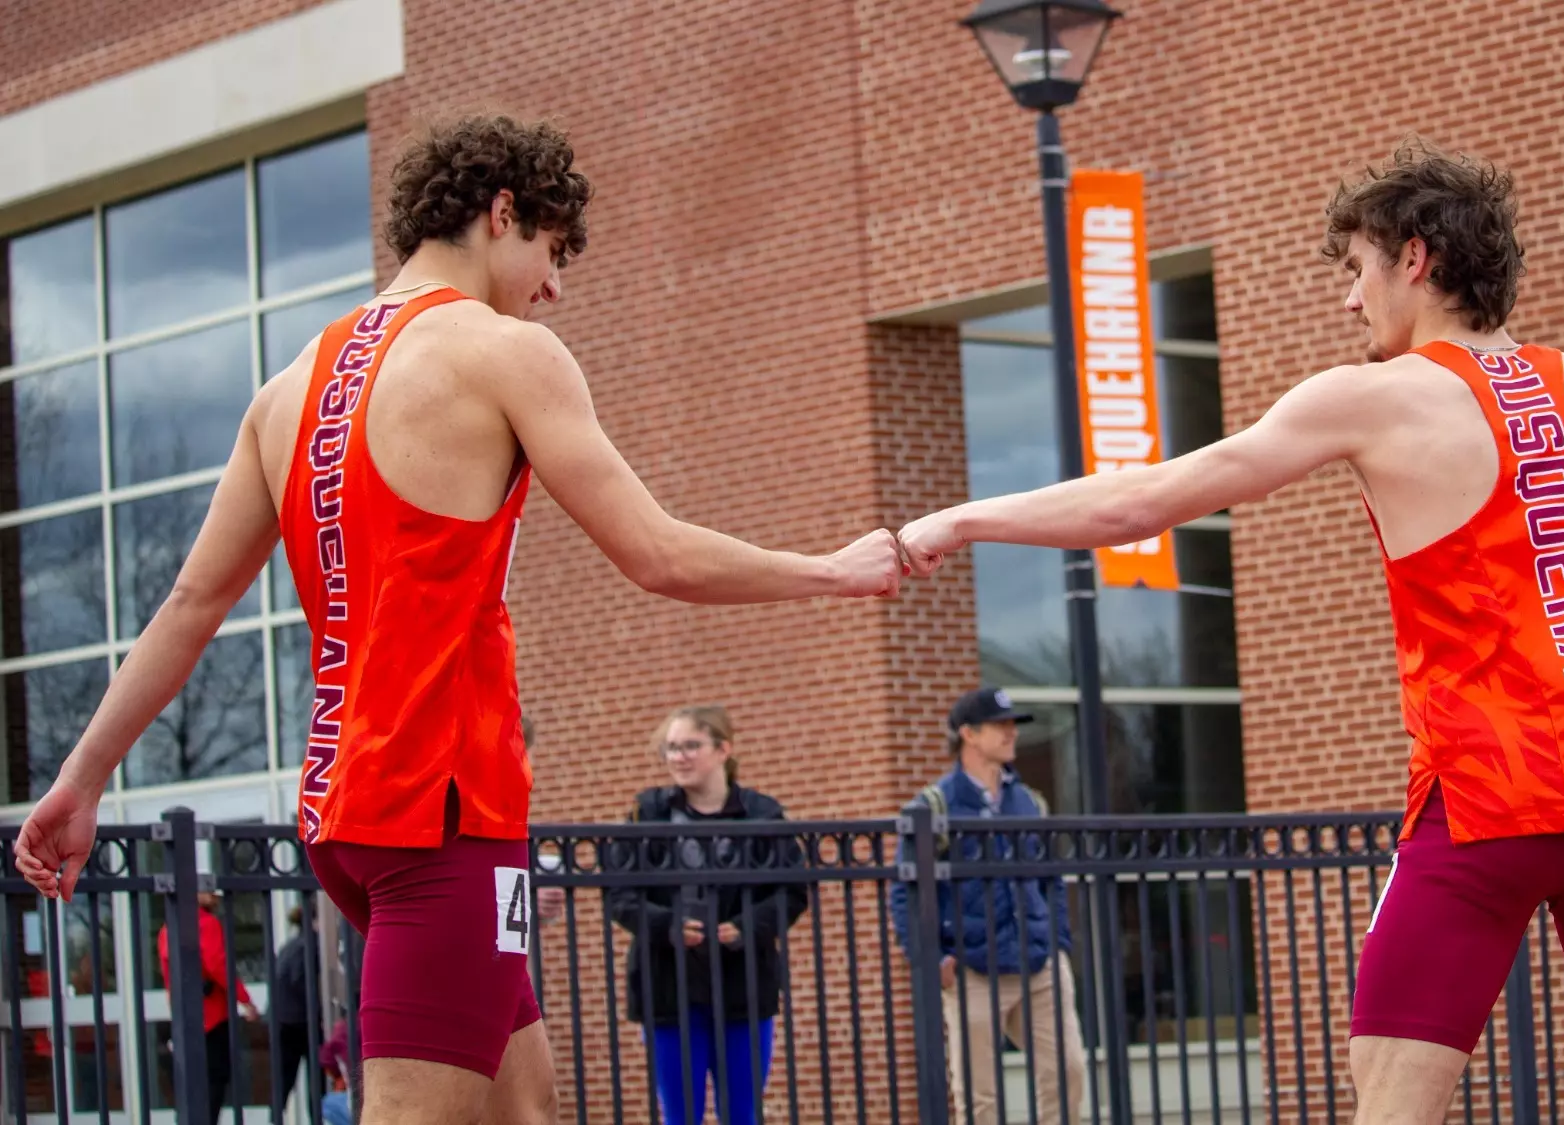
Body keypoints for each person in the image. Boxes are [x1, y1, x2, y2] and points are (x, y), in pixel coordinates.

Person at [12, 115, 906, 1125]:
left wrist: (81, 780)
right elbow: (655, 554)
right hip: (443, 817)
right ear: (501, 212)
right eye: (552, 251)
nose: (553, 286)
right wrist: (830, 570)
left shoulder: (287, 388)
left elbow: (190, 604)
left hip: (346, 818)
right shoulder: (504, 353)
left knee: (523, 1108)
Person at [897, 141, 1564, 1125]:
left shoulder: (1370, 398)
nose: (1349, 299)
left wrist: (962, 518)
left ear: (1414, 258)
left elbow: (1142, 500)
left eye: (1356, 268)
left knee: (1388, 1101)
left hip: (1480, 807)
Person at [888, 687, 1086, 1125]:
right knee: (980, 1098)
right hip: (973, 970)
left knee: (1068, 1071)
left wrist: (1058, 942)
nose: (1011, 733)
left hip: (1039, 964)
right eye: (1001, 725)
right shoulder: (934, 805)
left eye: (1013, 724)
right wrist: (932, 958)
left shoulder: (1030, 802)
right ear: (968, 735)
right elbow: (904, 892)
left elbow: (1051, 878)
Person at [606, 705, 807, 1125]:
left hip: (744, 982)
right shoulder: (648, 814)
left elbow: (792, 891)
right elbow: (619, 895)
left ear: (723, 750)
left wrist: (746, 927)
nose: (678, 757)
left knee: (743, 1113)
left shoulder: (762, 814)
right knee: (680, 1115)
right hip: (667, 984)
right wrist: (667, 925)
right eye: (671, 748)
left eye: (690, 746)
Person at [156, 891, 260, 1125]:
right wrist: (245, 999)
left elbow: (168, 977)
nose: (216, 897)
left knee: (191, 1087)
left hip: (186, 1018)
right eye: (210, 892)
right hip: (212, 1016)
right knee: (214, 1080)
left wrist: (176, 1009)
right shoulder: (206, 923)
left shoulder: (168, 928)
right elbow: (217, 964)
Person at [270, 904, 317, 1122]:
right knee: (315, 1078)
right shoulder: (310, 944)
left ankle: (275, 1117)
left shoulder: (290, 945)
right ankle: (317, 1117)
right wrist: (318, 1011)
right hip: (302, 1020)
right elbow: (301, 981)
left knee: (284, 1076)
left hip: (284, 1019)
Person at [320, 1022, 354, 1125]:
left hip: (362, 1100)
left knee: (328, 1104)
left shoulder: (341, 1032)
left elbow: (326, 1060)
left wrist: (340, 1080)